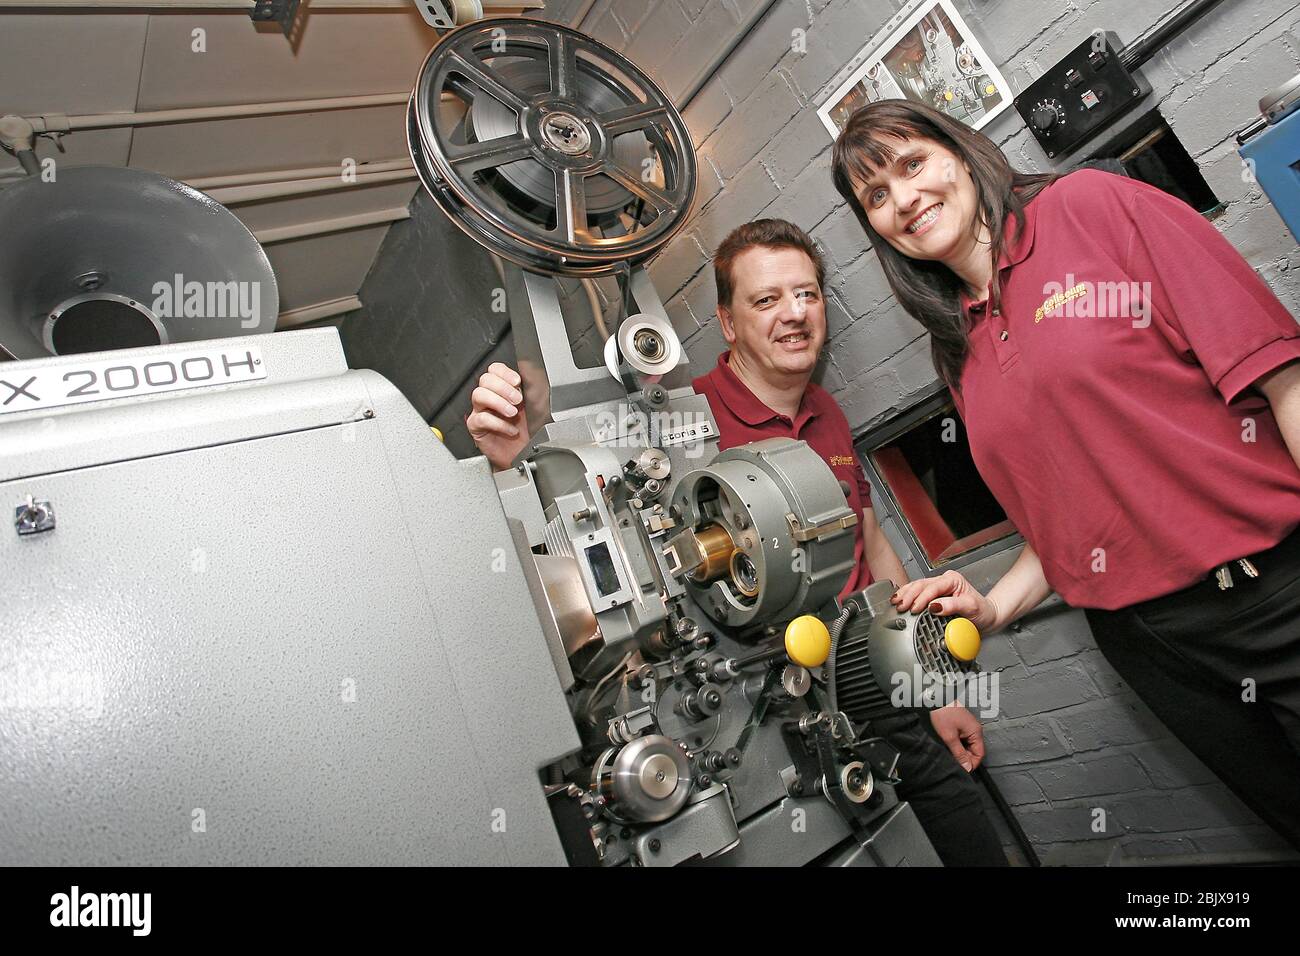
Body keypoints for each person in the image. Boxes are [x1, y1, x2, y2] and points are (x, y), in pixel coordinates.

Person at [830, 98, 1300, 849]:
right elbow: (1064, 524)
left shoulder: (1090, 205)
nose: (903, 200)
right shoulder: (958, 342)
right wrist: (991, 607)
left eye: (912, 164)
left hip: (1276, 591)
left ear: (958, 150)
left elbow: (1283, 379)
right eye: (876, 197)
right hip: (1153, 646)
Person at [468, 218, 1009, 866]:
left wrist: (932, 693)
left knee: (961, 827)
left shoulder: (826, 411)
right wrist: (512, 459)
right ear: (728, 323)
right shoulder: (676, 430)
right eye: (767, 299)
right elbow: (591, 543)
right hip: (777, 707)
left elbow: (870, 542)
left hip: (873, 672)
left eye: (806, 294)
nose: (795, 314)